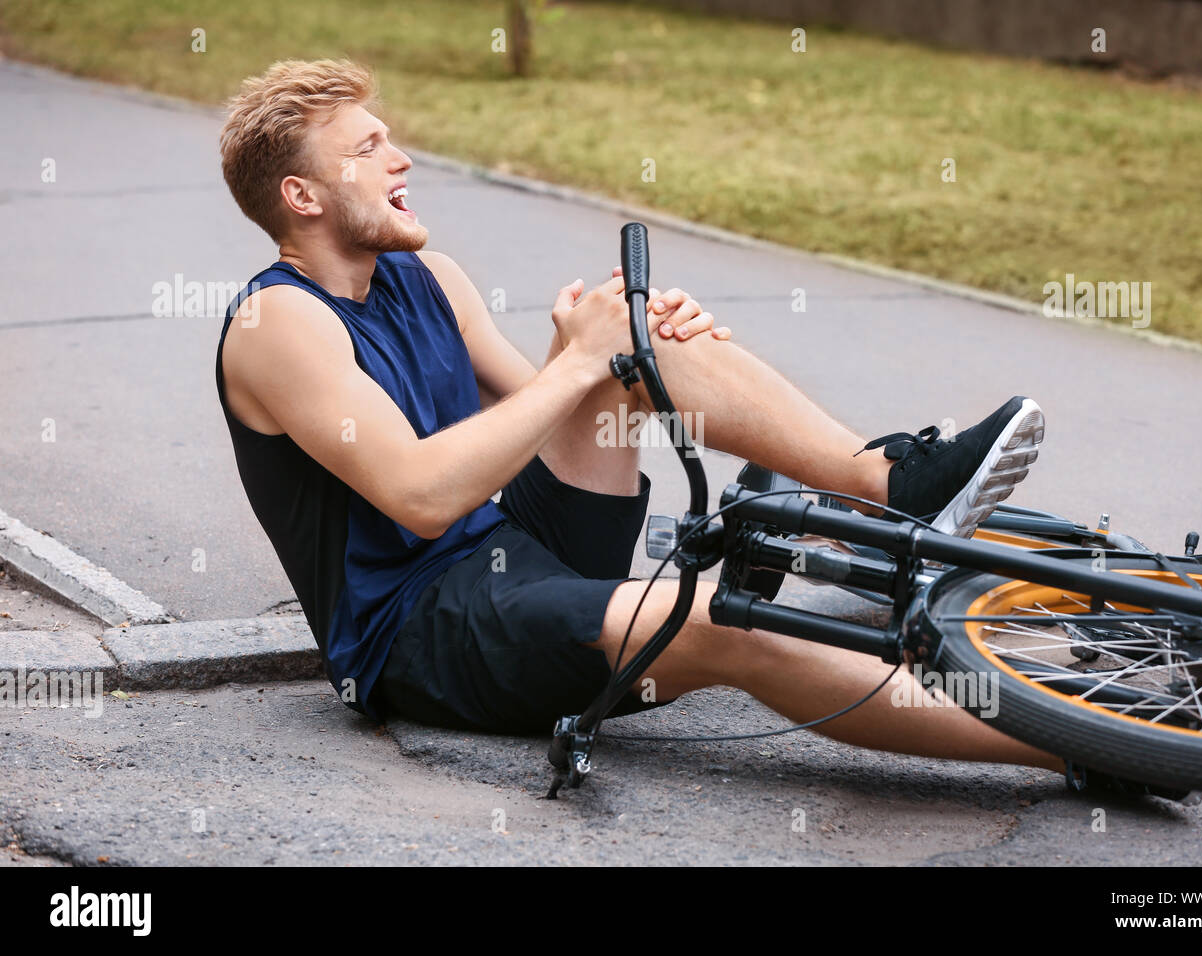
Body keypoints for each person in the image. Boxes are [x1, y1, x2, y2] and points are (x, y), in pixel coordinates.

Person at [216, 59, 1060, 777]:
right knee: (729, 624)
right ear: (302, 194)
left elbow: (547, 413)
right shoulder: (277, 323)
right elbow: (420, 497)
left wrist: (618, 348)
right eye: (367, 149)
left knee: (628, 330)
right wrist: (578, 363)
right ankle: (1075, 747)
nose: (401, 157)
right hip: (423, 633)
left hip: (518, 552)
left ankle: (886, 483)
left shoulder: (427, 276)